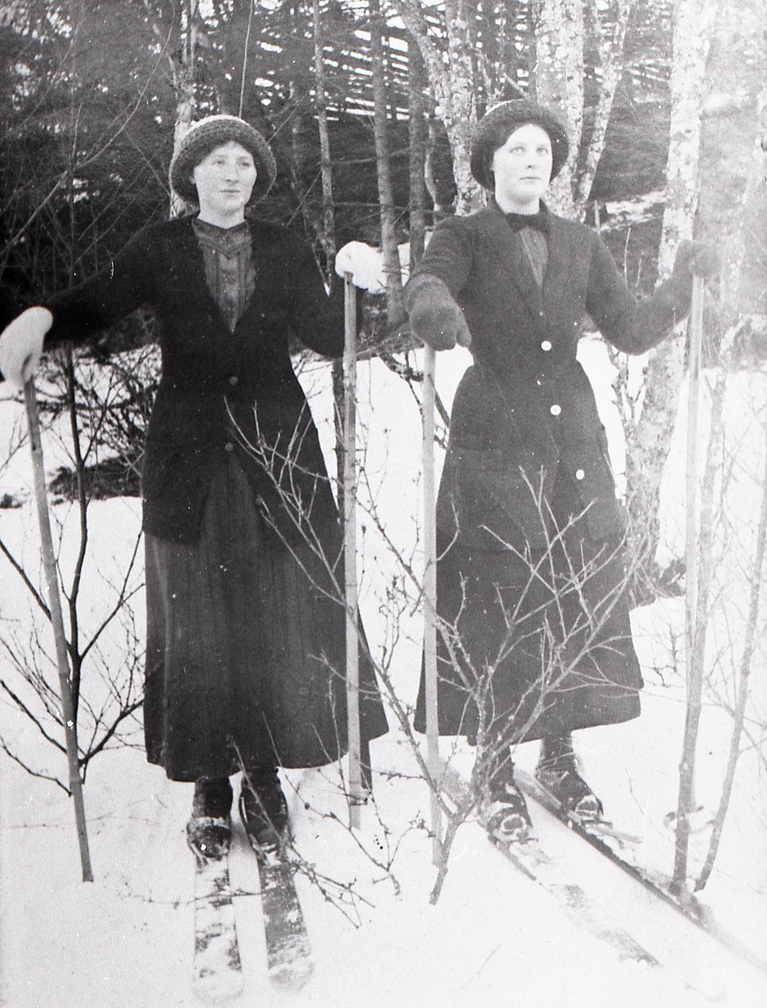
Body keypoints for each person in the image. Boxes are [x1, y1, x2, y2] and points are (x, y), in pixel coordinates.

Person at [0, 114, 389, 859]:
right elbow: (98, 300)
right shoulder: (159, 248)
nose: (232, 172)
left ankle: (265, 773)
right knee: (201, 618)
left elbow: (328, 336)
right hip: (188, 455)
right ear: (192, 176)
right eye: (217, 161)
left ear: (257, 177)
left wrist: (354, 289)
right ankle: (212, 779)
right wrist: (42, 315)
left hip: (279, 451)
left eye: (244, 161)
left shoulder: (282, 247)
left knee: (277, 607)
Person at [404, 99, 717, 844]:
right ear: (489, 163)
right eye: (515, 149)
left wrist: (681, 283)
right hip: (493, 431)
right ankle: (491, 759)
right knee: (497, 589)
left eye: (541, 149)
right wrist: (433, 309)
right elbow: (427, 279)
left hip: (572, 440)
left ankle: (559, 754)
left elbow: (632, 329)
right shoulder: (464, 234)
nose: (529, 160)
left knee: (571, 587)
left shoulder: (580, 242)